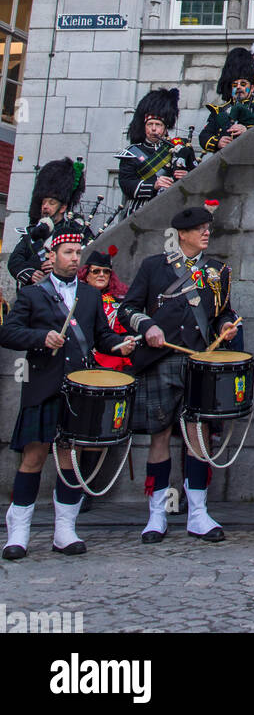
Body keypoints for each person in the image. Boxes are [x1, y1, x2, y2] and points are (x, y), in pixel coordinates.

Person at [1, 224, 135, 559]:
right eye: (68, 253)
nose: (75, 258)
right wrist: (40, 338)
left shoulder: (89, 295)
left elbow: (101, 336)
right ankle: (18, 534)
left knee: (70, 461)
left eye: (78, 253)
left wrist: (121, 345)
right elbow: (8, 333)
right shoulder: (33, 294)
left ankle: (65, 531)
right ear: (52, 256)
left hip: (78, 390)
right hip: (43, 386)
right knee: (32, 458)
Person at [117, 205, 239, 544]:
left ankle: (198, 513)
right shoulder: (154, 266)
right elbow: (127, 309)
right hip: (160, 361)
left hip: (200, 361)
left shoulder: (217, 271)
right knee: (159, 436)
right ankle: (156, 514)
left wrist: (226, 326)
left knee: (198, 437)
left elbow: (222, 312)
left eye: (208, 228)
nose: (206, 233)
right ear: (181, 234)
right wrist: (149, 325)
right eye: (199, 228)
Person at [7, 157, 90, 287]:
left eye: (51, 203)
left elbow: (87, 261)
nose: (45, 206)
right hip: (34, 294)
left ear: (63, 207)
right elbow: (15, 261)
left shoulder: (76, 230)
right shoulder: (31, 232)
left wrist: (59, 268)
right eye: (44, 202)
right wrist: (31, 273)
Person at [118, 89, 194, 211]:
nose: (153, 129)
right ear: (144, 127)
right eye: (150, 124)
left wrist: (187, 176)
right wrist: (154, 185)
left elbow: (196, 178)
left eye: (158, 125)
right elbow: (126, 184)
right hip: (141, 209)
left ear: (165, 128)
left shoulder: (181, 149)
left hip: (172, 208)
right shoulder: (132, 152)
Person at [199, 44, 254, 152]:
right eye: (235, 85)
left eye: (243, 84)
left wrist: (247, 130)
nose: (239, 87)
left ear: (252, 88)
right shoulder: (220, 110)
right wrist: (218, 142)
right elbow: (204, 136)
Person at [78, 245, 131, 372]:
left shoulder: (120, 301)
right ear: (86, 274)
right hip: (84, 359)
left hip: (113, 358)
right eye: (96, 271)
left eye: (106, 271)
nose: (101, 275)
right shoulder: (76, 298)